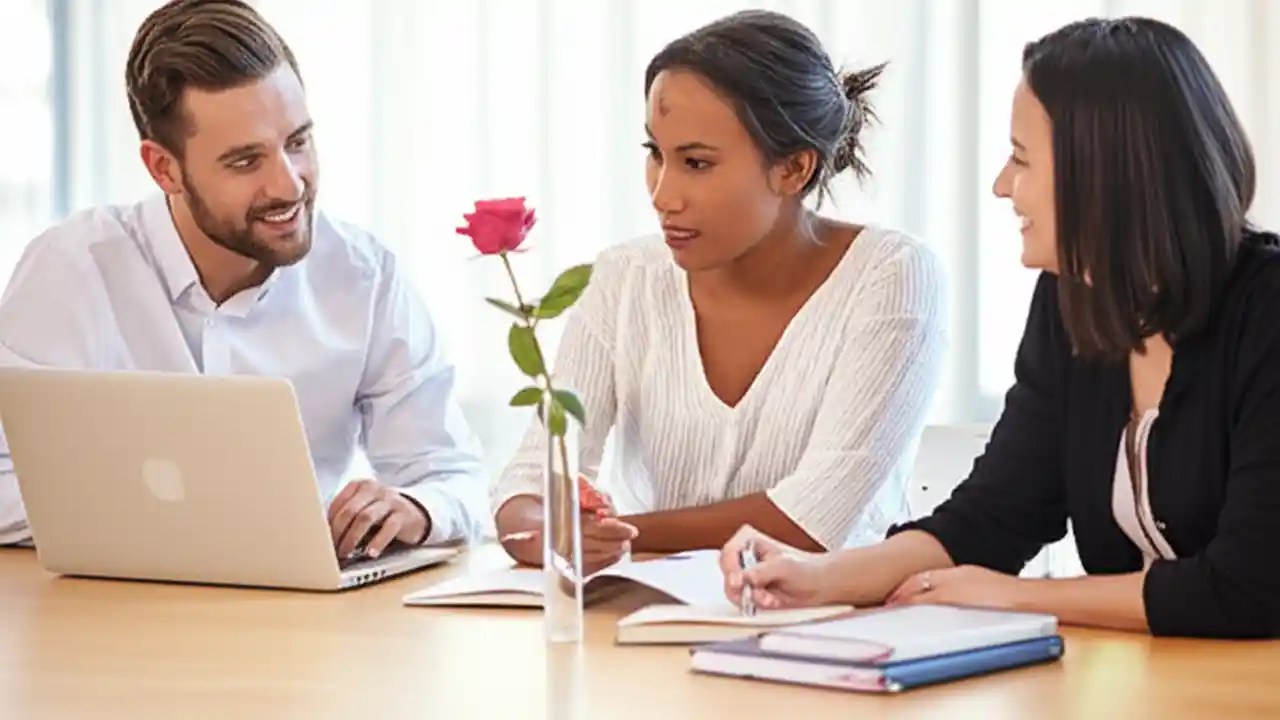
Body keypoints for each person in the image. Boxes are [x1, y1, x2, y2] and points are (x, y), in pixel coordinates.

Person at [719, 17, 1280, 639]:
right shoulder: (1074, 299)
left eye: (1020, 159)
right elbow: (996, 515)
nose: (1001, 186)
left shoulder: (1266, 311)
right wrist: (819, 575)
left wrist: (1011, 597)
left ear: (1105, 170)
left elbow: (1252, 586)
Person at [0, 0, 489, 559]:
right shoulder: (74, 270)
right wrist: (173, 524)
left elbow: (455, 477)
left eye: (297, 142)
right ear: (164, 168)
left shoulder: (364, 277)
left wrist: (416, 508)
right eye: (244, 161)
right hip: (109, 618)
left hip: (303, 626)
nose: (289, 185)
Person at [494, 10, 947, 573]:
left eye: (696, 162)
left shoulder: (893, 276)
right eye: (655, 153)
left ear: (793, 169)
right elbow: (529, 479)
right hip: (651, 623)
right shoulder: (622, 279)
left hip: (836, 632)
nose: (663, 194)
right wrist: (541, 525)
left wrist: (612, 535)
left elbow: (810, 523)